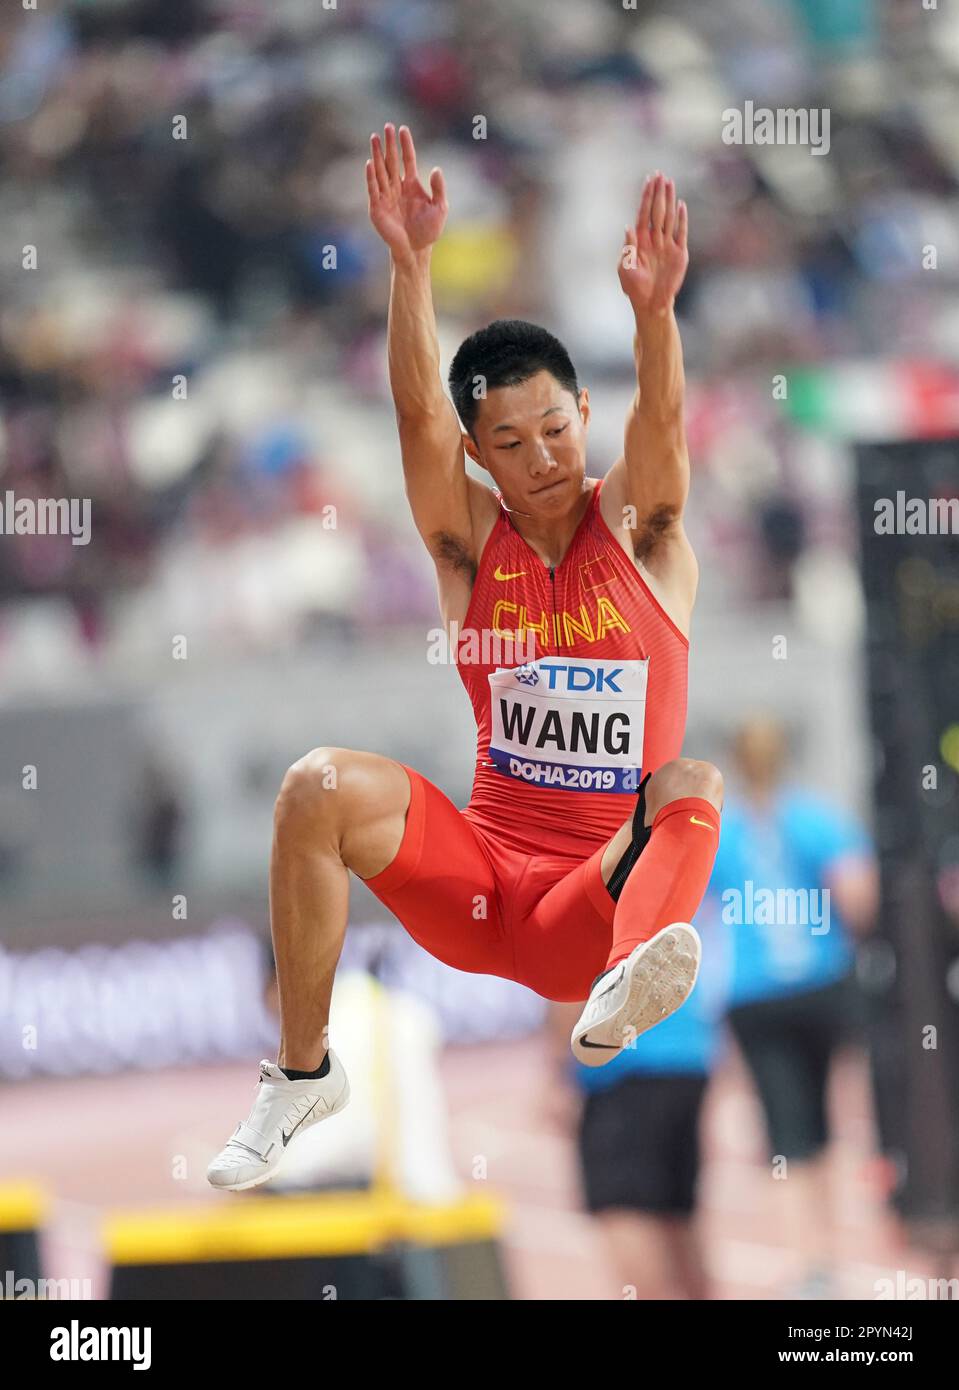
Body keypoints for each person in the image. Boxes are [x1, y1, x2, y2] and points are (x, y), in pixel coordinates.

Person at [207, 124, 723, 1192]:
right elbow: (412, 419)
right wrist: (408, 265)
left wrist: (656, 319)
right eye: (511, 442)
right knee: (315, 786)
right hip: (483, 891)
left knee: (690, 781)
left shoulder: (646, 539)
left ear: (586, 415)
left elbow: (665, 440)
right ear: (479, 452)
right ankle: (302, 1070)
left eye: (556, 429)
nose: (542, 457)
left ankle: (630, 976)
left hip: (593, 902)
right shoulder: (468, 550)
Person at [713, 716, 879, 1296]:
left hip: (754, 993)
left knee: (783, 1128)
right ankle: (831, 1247)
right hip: (821, 982)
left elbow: (690, 908)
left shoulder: (721, 831)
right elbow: (858, 897)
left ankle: (806, 1262)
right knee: (825, 1116)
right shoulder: (815, 816)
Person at [546, 895, 727, 1300]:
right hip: (689, 1056)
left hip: (621, 1069)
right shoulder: (664, 864)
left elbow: (569, 982)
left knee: (622, 1208)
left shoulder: (585, 875)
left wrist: (558, 1075)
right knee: (676, 1211)